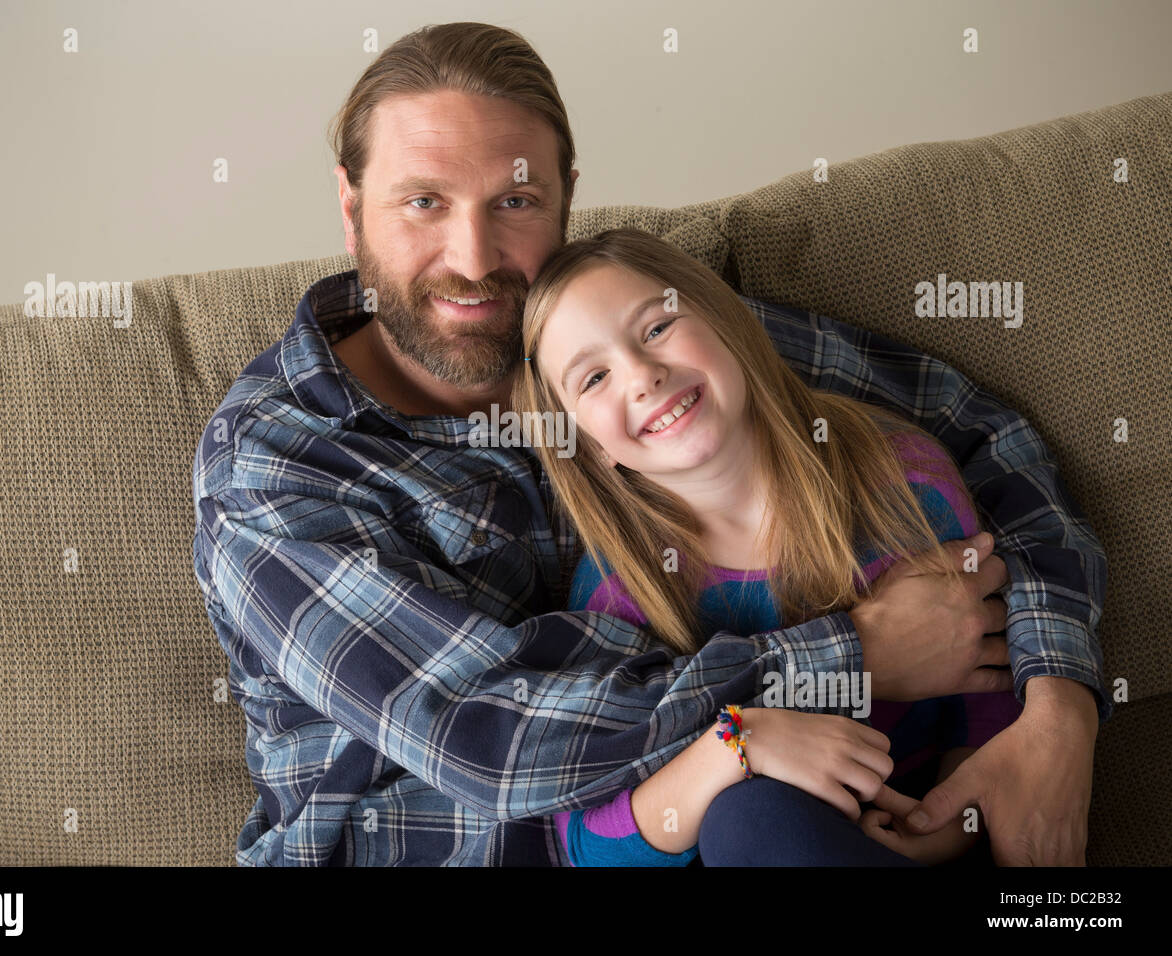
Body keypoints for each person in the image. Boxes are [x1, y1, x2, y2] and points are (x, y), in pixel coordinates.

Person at [190, 22, 1109, 866]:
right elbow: (488, 733)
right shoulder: (280, 466)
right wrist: (851, 656)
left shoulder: (637, 332)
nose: (473, 258)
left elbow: (982, 433)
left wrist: (1057, 704)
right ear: (350, 209)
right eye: (423, 202)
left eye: (514, 199)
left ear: (565, 199)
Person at [515, 227, 1025, 865]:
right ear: (591, 448)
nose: (642, 375)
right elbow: (589, 844)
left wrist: (954, 821)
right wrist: (739, 744)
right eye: (593, 378)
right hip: (766, 844)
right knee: (748, 815)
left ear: (726, 322)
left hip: (931, 832)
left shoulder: (901, 480)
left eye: (655, 329)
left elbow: (993, 678)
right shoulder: (622, 594)